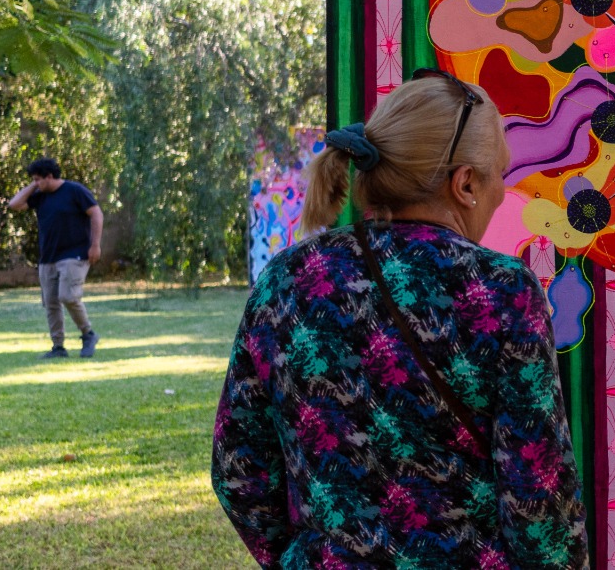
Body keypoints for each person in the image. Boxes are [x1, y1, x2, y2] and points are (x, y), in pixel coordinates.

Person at [211, 73, 588, 569]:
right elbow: (539, 501)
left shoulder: (285, 280)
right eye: (500, 174)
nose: (501, 193)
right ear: (466, 183)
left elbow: (239, 470)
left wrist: (304, 558)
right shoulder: (502, 292)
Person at [8, 157, 103, 358]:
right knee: (50, 303)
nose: (36, 183)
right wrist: (34, 185)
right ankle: (58, 347)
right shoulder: (40, 195)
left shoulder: (75, 190)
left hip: (74, 253)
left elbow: (96, 213)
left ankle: (88, 334)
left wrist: (95, 245)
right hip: (48, 256)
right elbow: (14, 204)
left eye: (38, 179)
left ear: (50, 176)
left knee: (68, 296)